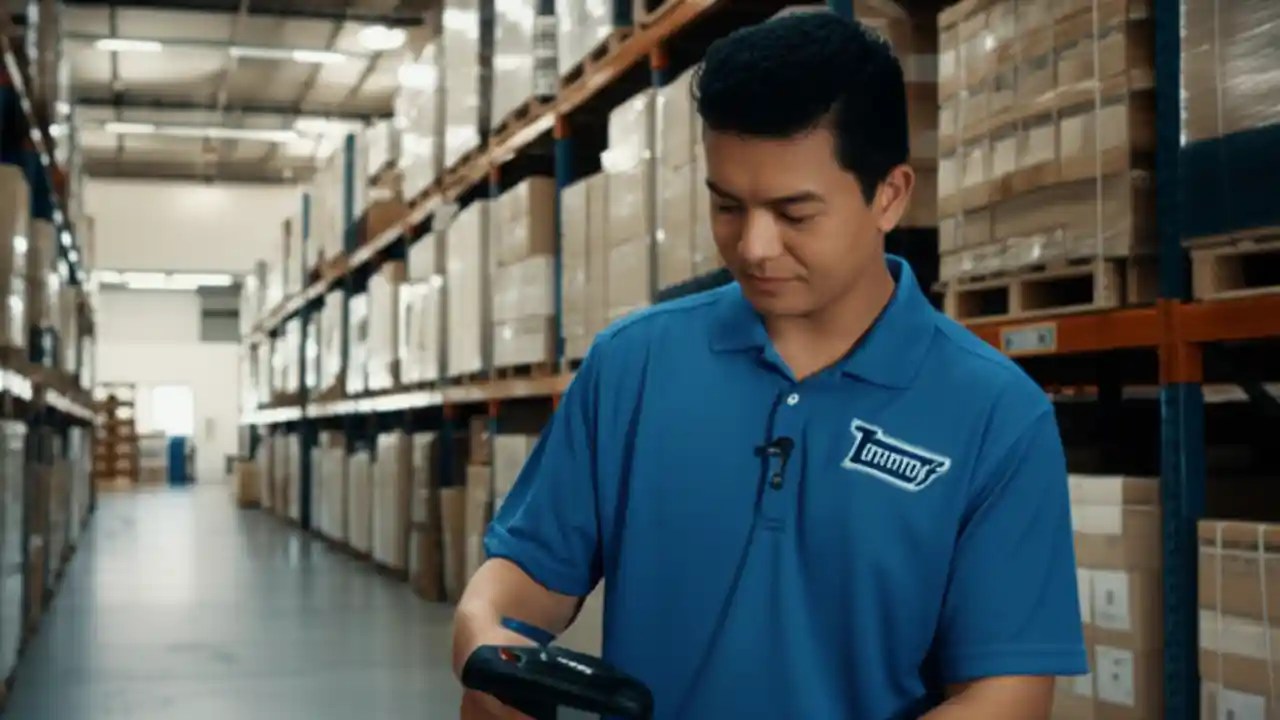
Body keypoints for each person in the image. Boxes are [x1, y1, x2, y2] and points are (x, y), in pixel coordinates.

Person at [452, 11, 1087, 719]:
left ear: (890, 195)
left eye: (794, 213)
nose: (753, 246)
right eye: (728, 206)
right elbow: (527, 576)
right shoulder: (632, 366)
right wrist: (482, 637)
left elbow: (1009, 694)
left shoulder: (995, 415)